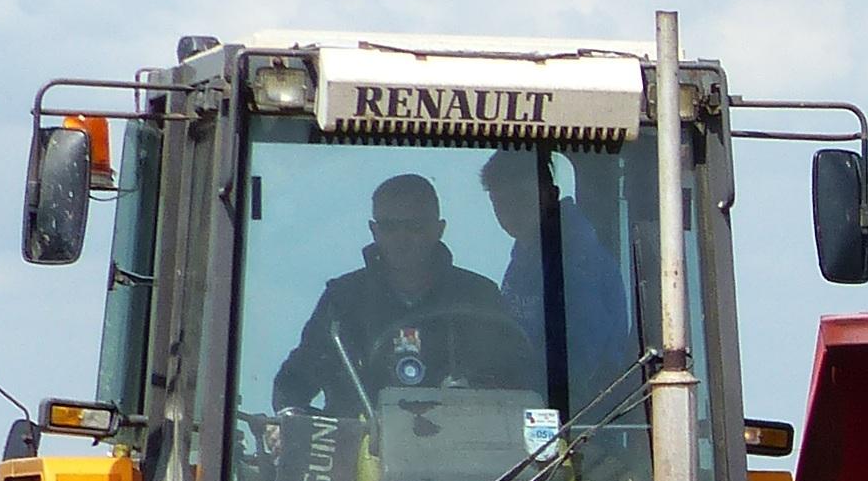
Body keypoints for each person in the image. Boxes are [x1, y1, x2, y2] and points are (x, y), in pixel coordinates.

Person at [270, 171, 533, 414]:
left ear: (438, 229)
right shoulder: (343, 301)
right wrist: (288, 423)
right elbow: (294, 382)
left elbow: (515, 386)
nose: (402, 238)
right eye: (389, 227)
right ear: (374, 231)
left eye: (414, 227)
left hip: (462, 458)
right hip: (356, 456)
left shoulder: (478, 297)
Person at [477, 147, 639, 415]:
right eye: (500, 204)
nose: (510, 213)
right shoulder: (527, 255)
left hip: (580, 421)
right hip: (532, 405)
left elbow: (579, 365)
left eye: (521, 199)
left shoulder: (575, 262)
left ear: (549, 195)